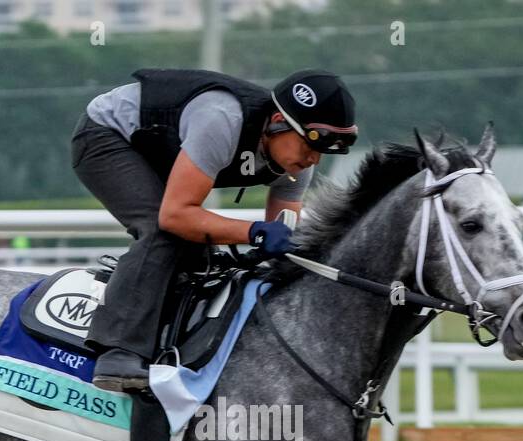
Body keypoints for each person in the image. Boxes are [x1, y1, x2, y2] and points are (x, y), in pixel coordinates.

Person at [69, 67, 358, 391]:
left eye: (322, 151)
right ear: (278, 121)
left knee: (203, 257)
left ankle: (170, 347)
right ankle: (118, 353)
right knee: (163, 232)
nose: (313, 160)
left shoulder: (295, 160)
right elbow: (175, 216)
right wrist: (254, 232)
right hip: (108, 136)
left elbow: (284, 236)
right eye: (309, 146)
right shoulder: (223, 120)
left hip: (164, 150)